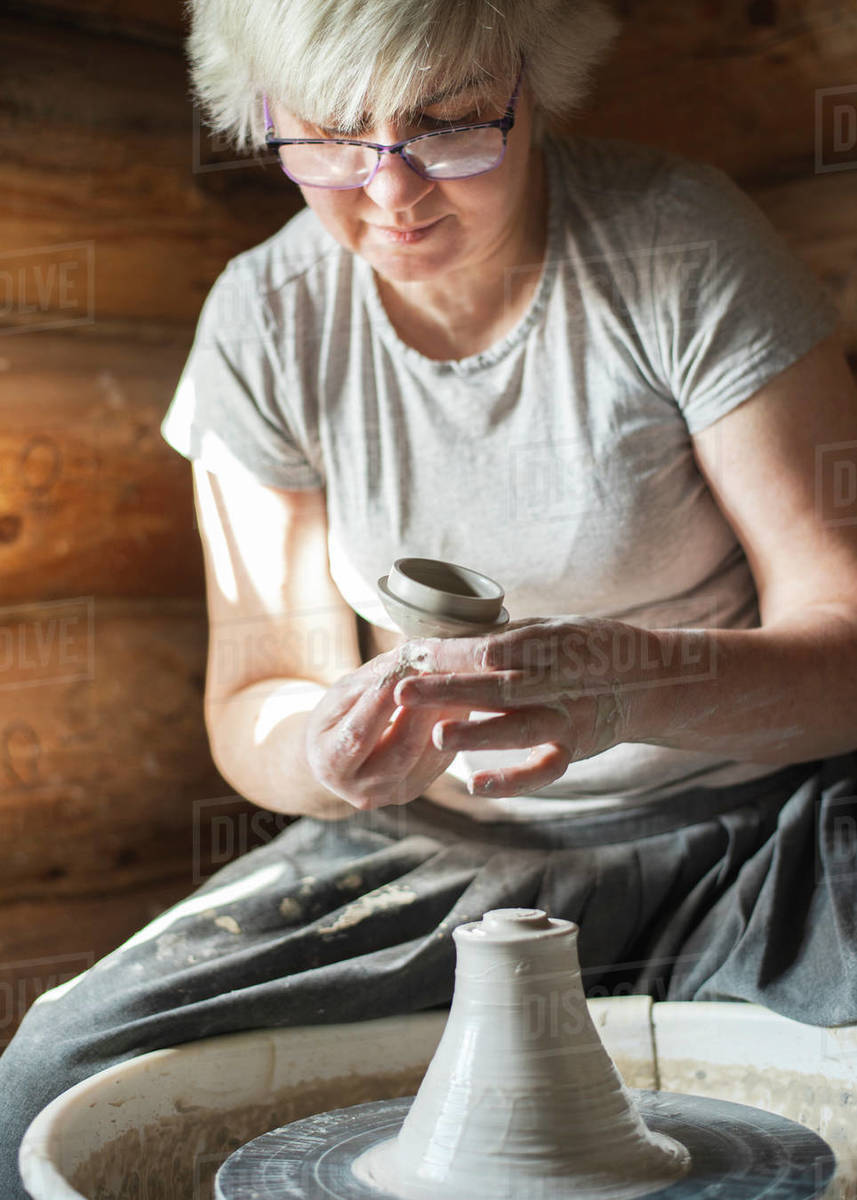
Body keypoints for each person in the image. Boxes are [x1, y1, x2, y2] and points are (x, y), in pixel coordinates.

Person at [3, 0, 857, 1193]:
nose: (391, 193)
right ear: (262, 114)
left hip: (758, 822)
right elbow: (258, 694)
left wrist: (632, 692)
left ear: (533, 87)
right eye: (333, 137)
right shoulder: (264, 323)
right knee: (54, 1073)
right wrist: (325, 751)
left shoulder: (675, 244)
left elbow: (845, 643)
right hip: (440, 845)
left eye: (452, 127)